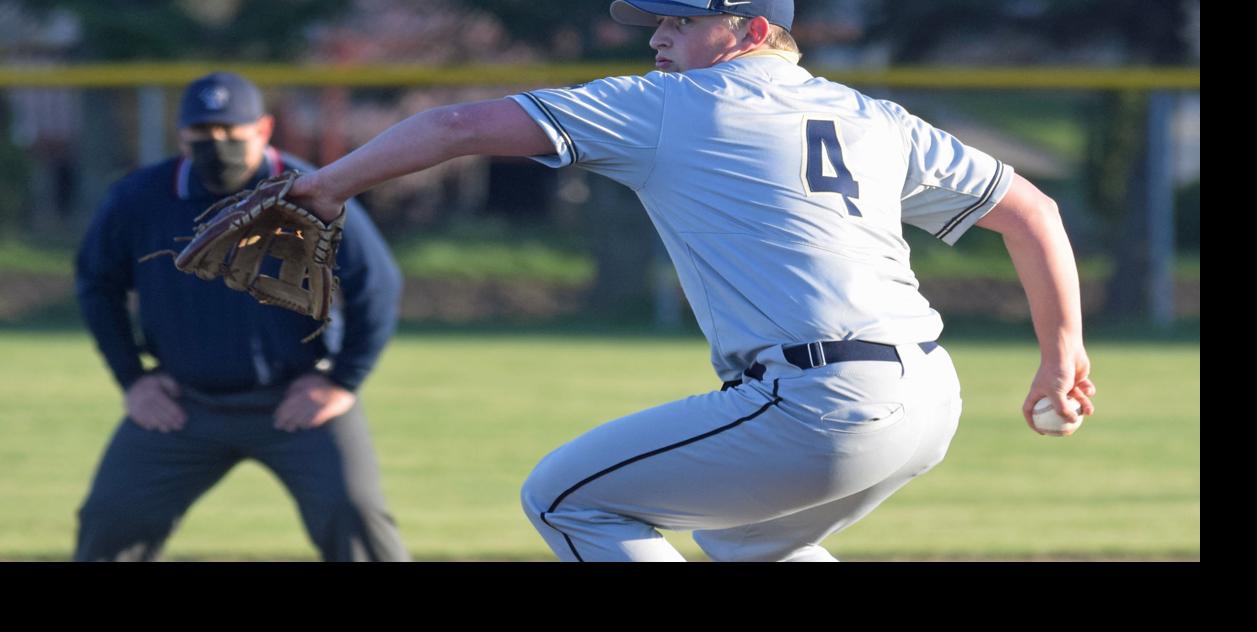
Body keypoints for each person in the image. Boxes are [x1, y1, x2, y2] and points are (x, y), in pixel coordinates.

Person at [287, 0, 1095, 562]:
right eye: (658, 22)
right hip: (928, 399)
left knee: (566, 498)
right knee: (737, 540)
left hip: (819, 401)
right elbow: (1032, 212)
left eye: (679, 20)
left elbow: (459, 124)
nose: (658, 38)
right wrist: (1060, 356)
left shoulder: (669, 105)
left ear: (747, 31)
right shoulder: (872, 115)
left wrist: (329, 185)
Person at [74, 71, 409, 562]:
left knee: (354, 512)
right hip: (184, 403)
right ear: (181, 134)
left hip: (297, 400)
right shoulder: (139, 197)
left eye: (233, 132)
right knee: (111, 517)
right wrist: (133, 380)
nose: (219, 143)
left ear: (264, 128)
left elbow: (377, 285)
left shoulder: (312, 192)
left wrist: (342, 381)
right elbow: (96, 284)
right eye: (203, 133)